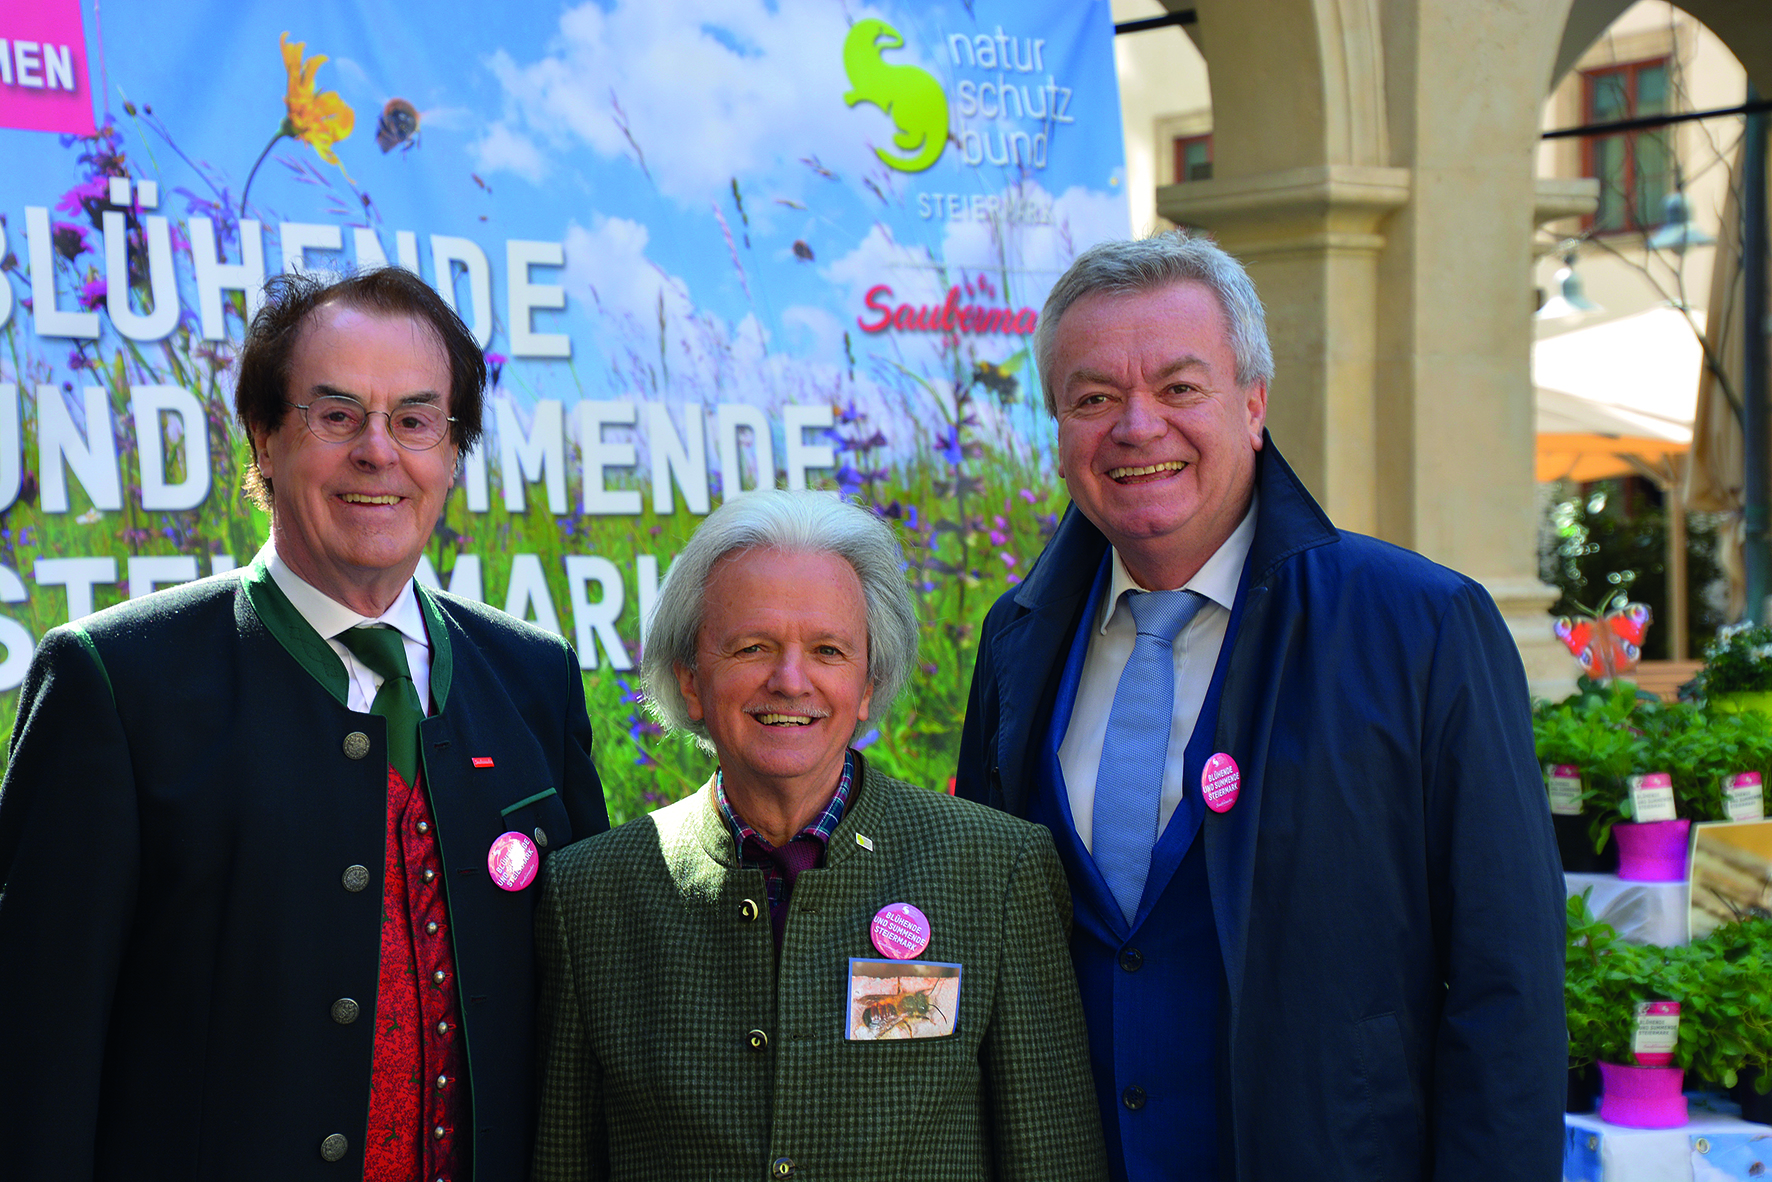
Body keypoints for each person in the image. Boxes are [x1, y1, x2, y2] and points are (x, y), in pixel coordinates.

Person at [954, 231, 1566, 1182]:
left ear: (1254, 405)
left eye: (1178, 387)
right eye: (1094, 399)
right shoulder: (1016, 639)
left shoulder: (1423, 626)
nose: (1136, 426)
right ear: (1060, 428)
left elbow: (1508, 987)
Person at [0, 267, 609, 1181]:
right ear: (265, 440)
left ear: (452, 452)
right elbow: (33, 1068)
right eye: (336, 415)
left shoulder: (534, 679)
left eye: (415, 419)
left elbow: (579, 1022)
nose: (379, 452)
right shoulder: (115, 684)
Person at [531, 489, 1108, 1182]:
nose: (790, 680)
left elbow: (1054, 1158)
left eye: (829, 650)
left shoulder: (996, 869)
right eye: (753, 647)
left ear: (868, 684)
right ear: (691, 680)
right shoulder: (590, 892)